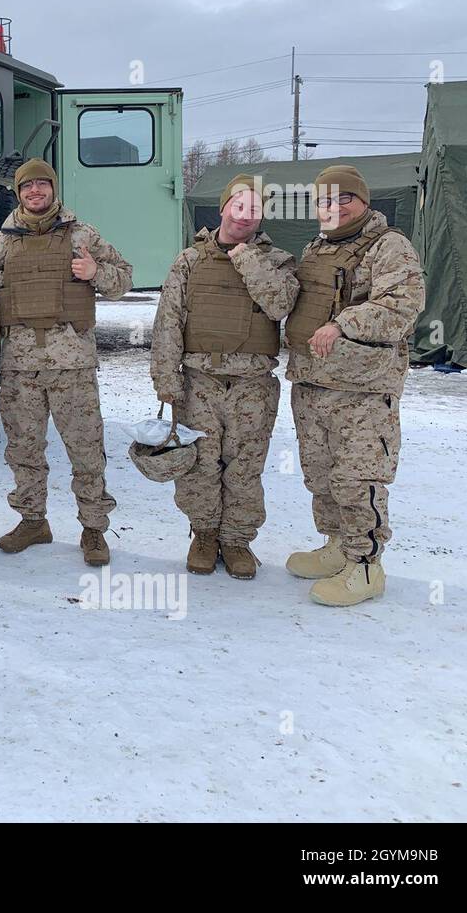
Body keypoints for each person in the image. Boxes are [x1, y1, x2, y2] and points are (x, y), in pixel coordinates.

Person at [284, 164, 425, 605]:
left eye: (343, 198)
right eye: (324, 200)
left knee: (357, 479)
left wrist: (343, 324)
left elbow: (402, 305)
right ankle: (336, 548)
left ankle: (365, 567)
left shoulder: (389, 247)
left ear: (363, 202)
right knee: (321, 476)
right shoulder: (318, 248)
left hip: (361, 390)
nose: (334, 207)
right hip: (312, 383)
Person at [0, 159, 133, 566]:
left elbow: (125, 278)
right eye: (27, 186)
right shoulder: (1, 242)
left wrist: (96, 271)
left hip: (72, 367)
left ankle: (94, 530)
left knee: (86, 451)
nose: (35, 192)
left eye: (42, 185)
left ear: (53, 188)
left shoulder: (82, 234)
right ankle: (33, 521)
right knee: (23, 449)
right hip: (19, 366)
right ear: (18, 193)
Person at [150, 174, 298, 577]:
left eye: (254, 209)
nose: (245, 215)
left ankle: (236, 540)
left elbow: (280, 305)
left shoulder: (277, 260)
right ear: (223, 208)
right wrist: (166, 379)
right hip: (200, 382)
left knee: (245, 466)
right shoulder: (190, 260)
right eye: (239, 205)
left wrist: (246, 257)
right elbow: (168, 321)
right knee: (200, 465)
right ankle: (204, 535)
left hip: (253, 385)